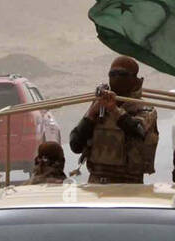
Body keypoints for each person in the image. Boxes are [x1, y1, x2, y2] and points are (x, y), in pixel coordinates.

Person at [68, 56, 159, 184]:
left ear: (135, 80)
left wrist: (114, 110)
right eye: (113, 74)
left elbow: (138, 131)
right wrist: (91, 114)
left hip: (129, 184)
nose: (117, 78)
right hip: (96, 182)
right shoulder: (99, 108)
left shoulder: (144, 109)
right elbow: (75, 145)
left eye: (122, 74)